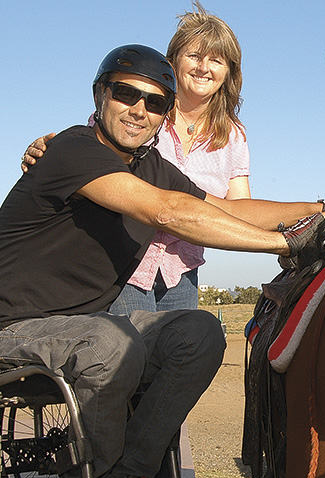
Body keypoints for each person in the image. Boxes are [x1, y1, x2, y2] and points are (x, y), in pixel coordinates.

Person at [0, 43, 325, 478]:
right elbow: (167, 213)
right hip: (14, 330)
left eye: (155, 102)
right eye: (125, 94)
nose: (139, 110)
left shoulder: (148, 165)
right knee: (111, 342)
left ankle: (125, 477)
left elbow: (229, 209)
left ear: (166, 113)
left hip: (86, 329)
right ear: (100, 95)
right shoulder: (73, 150)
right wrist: (282, 245)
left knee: (199, 332)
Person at [23, 3, 257, 314]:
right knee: (134, 353)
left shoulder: (232, 135)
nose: (204, 67)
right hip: (121, 263)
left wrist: (291, 232)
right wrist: (47, 150)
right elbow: (88, 156)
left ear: (229, 72)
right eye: (194, 56)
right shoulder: (140, 112)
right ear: (172, 62)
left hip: (182, 272)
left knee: (184, 353)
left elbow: (239, 207)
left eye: (216, 59)